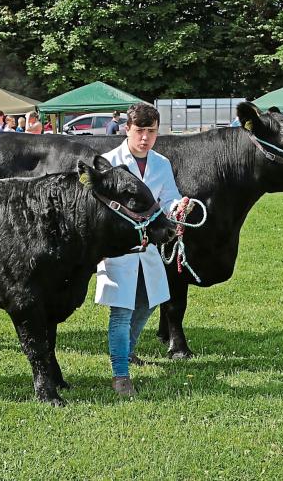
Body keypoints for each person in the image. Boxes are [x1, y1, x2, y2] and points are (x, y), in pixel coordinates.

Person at [96, 103, 182, 396]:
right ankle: (120, 374)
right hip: (119, 248)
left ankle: (129, 351)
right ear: (127, 129)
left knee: (149, 302)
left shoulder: (161, 163)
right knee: (121, 311)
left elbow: (169, 197)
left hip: (149, 247)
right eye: (140, 131)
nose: (145, 137)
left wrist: (178, 208)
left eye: (151, 131)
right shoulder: (108, 163)